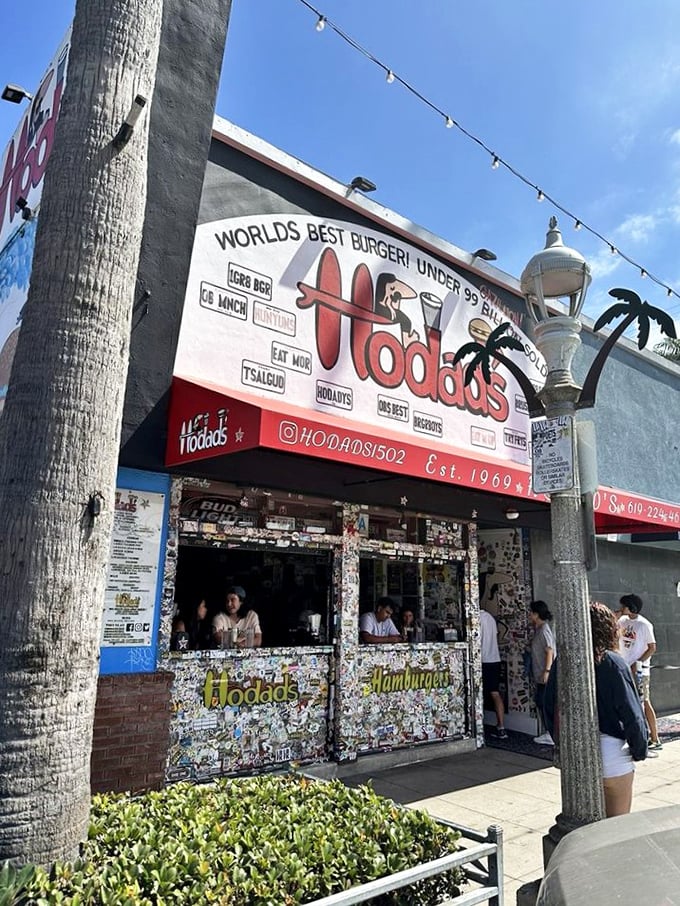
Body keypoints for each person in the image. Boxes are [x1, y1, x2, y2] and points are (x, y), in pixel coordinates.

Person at [618, 593, 662, 751]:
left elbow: (652, 647)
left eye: (624, 605)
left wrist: (638, 663)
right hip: (624, 667)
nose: (621, 608)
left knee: (644, 701)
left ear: (631, 607)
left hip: (639, 672)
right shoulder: (622, 620)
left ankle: (654, 738)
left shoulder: (644, 625)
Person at [530, 600, 556, 746]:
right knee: (541, 701)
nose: (529, 615)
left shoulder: (544, 630)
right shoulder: (540, 629)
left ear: (536, 614)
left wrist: (547, 670)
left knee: (544, 702)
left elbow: (549, 650)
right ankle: (549, 732)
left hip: (544, 674)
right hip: (540, 673)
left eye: (531, 613)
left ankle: (550, 733)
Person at [479, 607, 507, 739]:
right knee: (495, 693)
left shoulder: (475, 619)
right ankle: (501, 727)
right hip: (494, 659)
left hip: (482, 660)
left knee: (477, 693)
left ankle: (477, 727)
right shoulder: (490, 618)